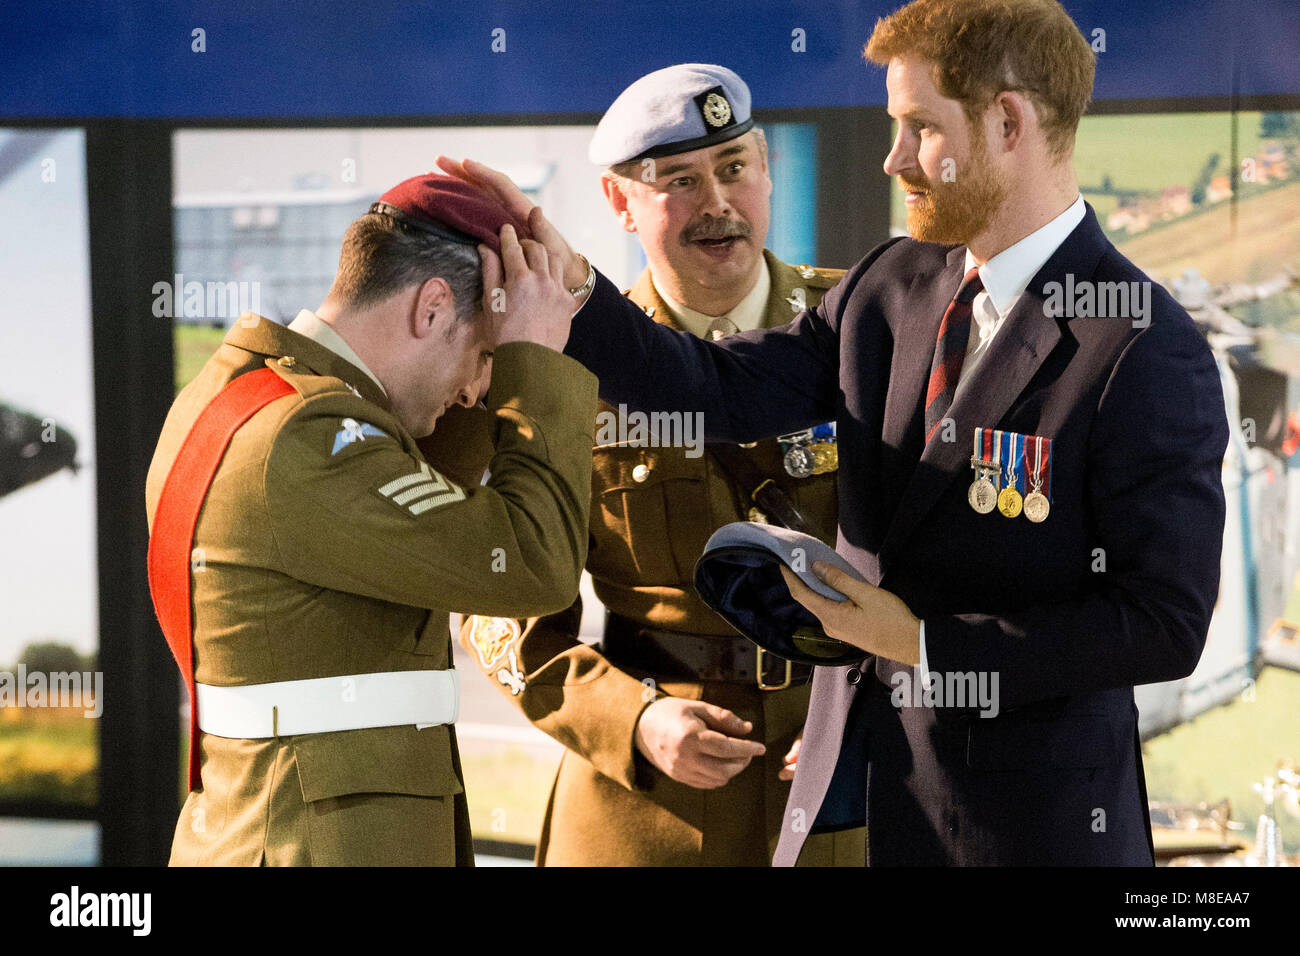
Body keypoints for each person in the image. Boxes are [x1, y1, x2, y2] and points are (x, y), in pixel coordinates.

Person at [441, 0, 1230, 865]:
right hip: (864, 812)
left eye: (918, 128)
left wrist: (917, 640)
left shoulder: (1143, 348)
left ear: (1008, 123)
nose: (894, 160)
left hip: (1028, 832)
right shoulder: (892, 286)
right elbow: (715, 385)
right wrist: (567, 278)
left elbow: (1161, 622)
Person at [427, 64, 863, 866]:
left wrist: (873, 715)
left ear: (766, 168)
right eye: (679, 182)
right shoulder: (560, 367)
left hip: (840, 786)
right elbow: (496, 602)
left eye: (735, 168)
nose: (718, 203)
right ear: (619, 202)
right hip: (646, 809)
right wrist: (632, 720)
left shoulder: (868, 333)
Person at [144, 173, 598, 865]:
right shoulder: (308, 435)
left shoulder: (248, 396)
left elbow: (433, 490)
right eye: (486, 357)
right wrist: (532, 364)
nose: (480, 388)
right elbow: (532, 563)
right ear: (432, 306)